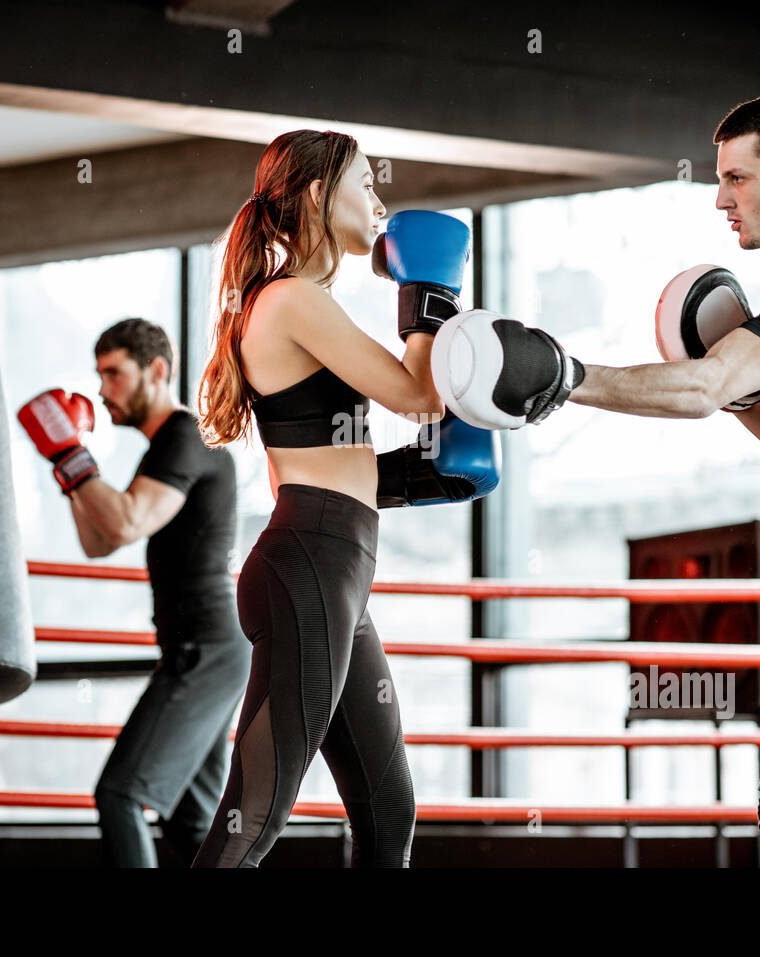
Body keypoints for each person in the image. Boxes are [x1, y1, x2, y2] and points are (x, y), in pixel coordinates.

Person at [430, 91, 760, 868]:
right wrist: (742, 397)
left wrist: (565, 374)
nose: (720, 197)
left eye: (737, 178)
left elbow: (698, 390)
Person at [190, 129, 495, 867]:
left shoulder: (297, 304)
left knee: (388, 809)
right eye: (367, 183)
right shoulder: (292, 299)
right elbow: (419, 392)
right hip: (311, 567)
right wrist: (426, 292)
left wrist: (421, 477)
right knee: (254, 812)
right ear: (320, 195)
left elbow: (325, 461)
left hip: (329, 568)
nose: (380, 201)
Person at [17, 318, 250, 867]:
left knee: (120, 794)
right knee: (192, 820)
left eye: (114, 373)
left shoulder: (185, 437)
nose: (102, 390)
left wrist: (73, 457)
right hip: (205, 650)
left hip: (208, 651)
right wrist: (65, 462)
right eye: (99, 374)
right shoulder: (164, 448)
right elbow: (98, 541)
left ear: (157, 370)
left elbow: (124, 522)